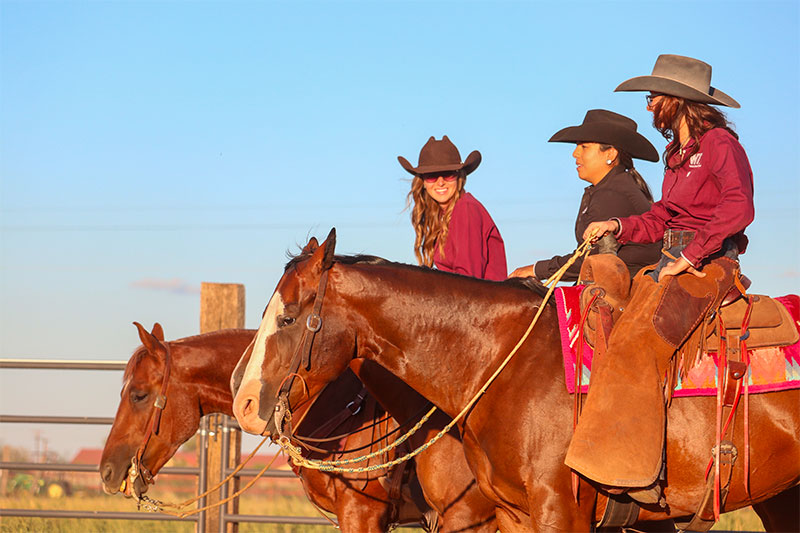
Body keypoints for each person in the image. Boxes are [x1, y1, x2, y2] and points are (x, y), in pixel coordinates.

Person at [565, 54, 754, 503]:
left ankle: (640, 471)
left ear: (679, 100)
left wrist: (689, 256)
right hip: (674, 260)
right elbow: (661, 217)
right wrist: (617, 227)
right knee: (611, 323)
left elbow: (739, 208)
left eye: (654, 96)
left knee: (641, 338)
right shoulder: (676, 154)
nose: (648, 105)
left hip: (710, 264)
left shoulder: (720, 145)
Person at [509, 109, 661, 282]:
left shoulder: (612, 193)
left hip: (624, 290)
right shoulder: (613, 186)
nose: (575, 154)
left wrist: (537, 270)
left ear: (610, 154)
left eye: (584, 147)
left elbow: (591, 260)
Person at [399, 136, 507, 281]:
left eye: (448, 175)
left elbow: (468, 279)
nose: (441, 182)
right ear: (423, 182)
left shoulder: (466, 209)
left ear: (459, 177)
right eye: (432, 176)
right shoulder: (446, 216)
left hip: (482, 301)